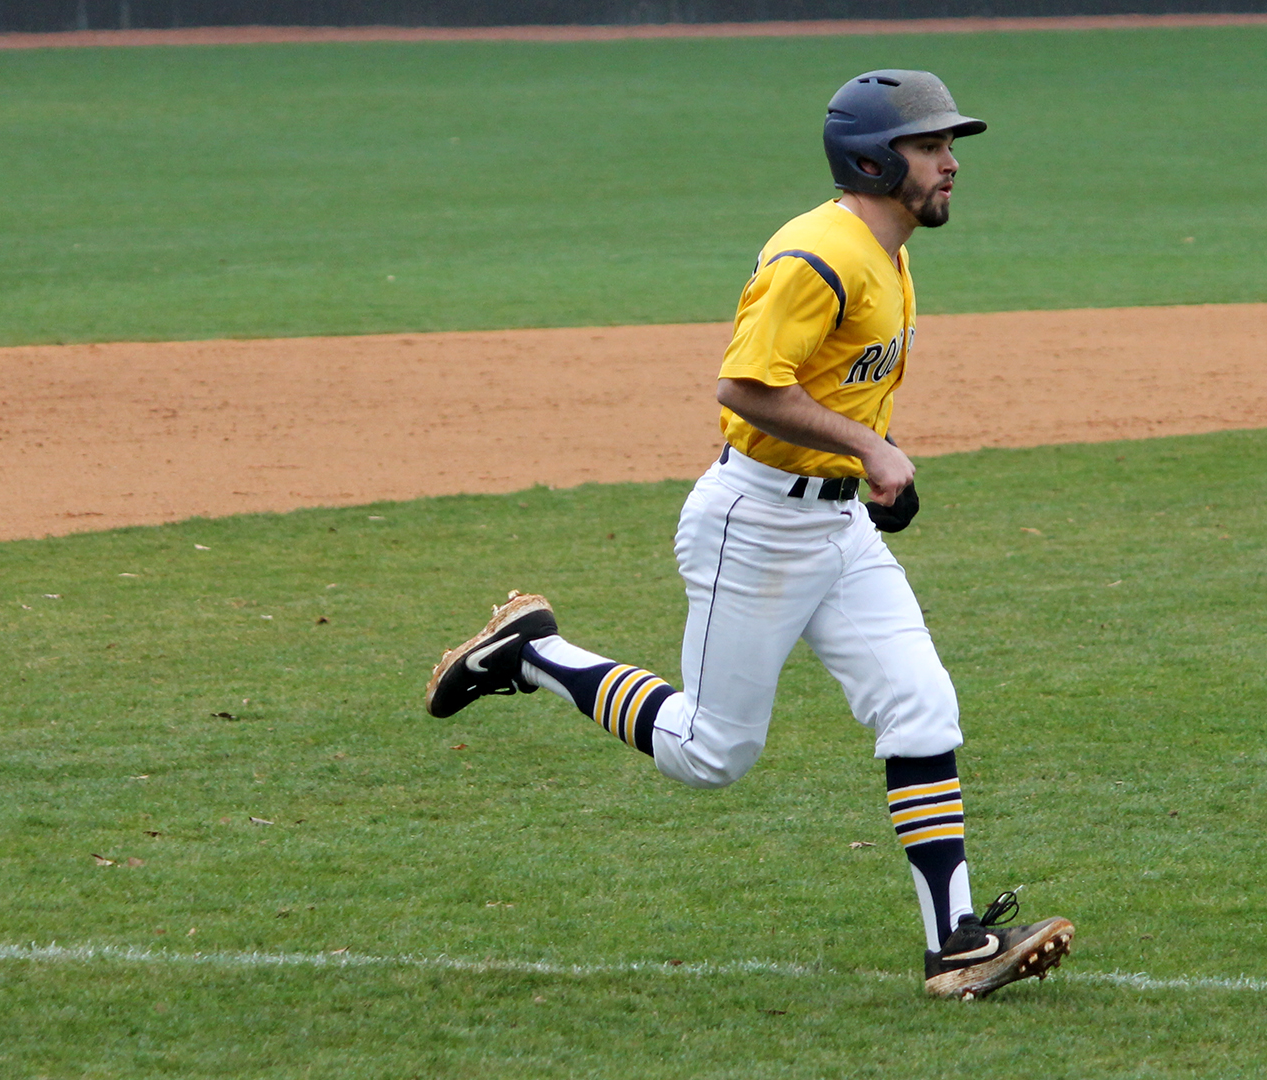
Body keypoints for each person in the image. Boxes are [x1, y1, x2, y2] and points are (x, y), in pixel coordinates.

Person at [425, 69, 1073, 1000]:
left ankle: (956, 946)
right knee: (712, 753)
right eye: (930, 146)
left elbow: (838, 385)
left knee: (922, 708)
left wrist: (870, 463)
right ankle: (533, 654)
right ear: (872, 159)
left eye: (948, 145)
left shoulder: (886, 255)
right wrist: (870, 448)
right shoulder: (818, 256)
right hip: (757, 524)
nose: (950, 162)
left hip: (839, 526)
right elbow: (744, 385)